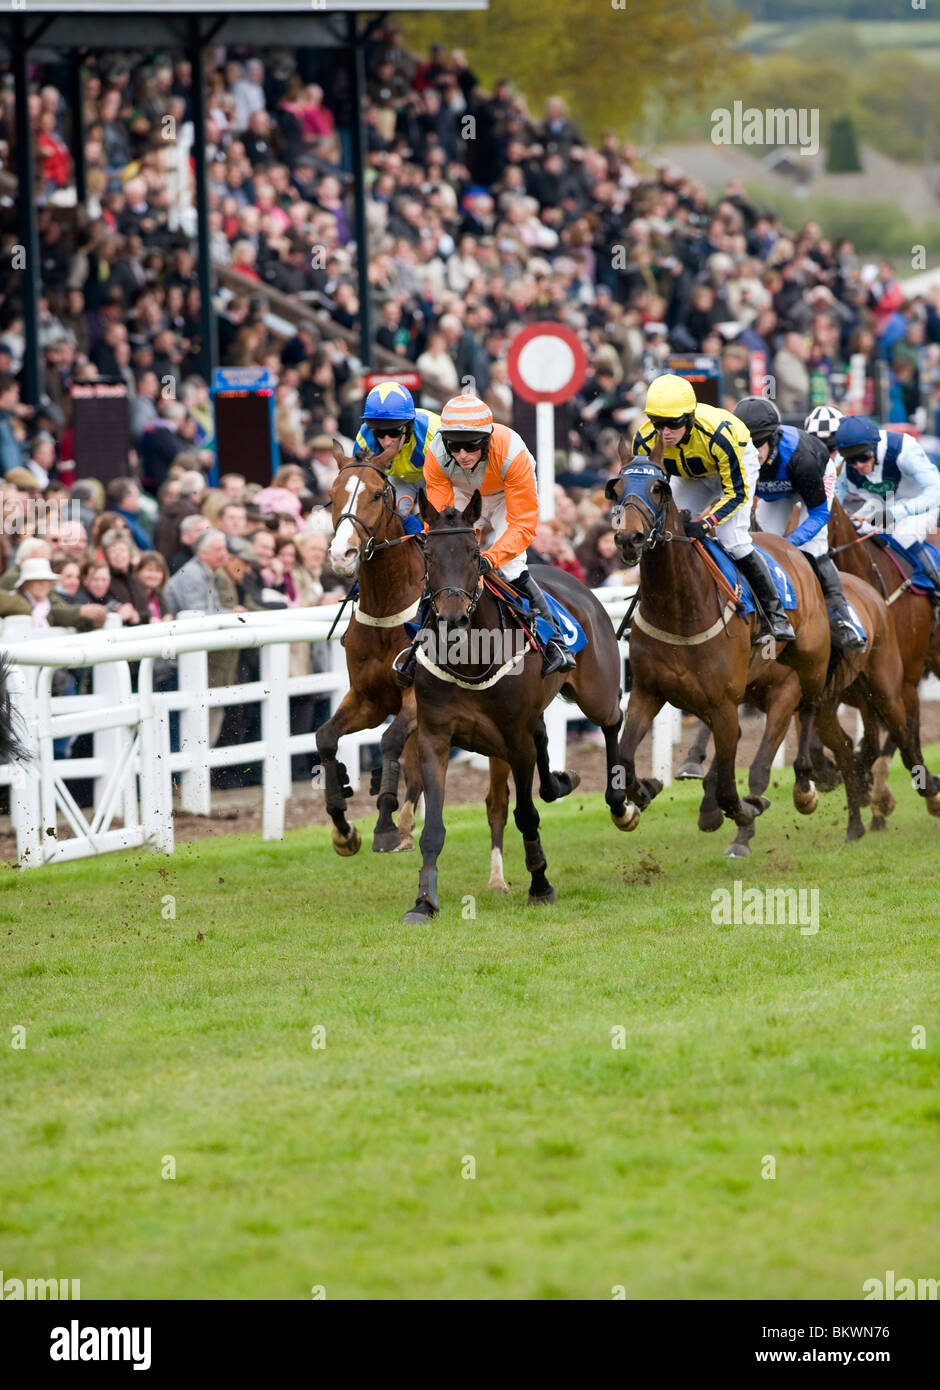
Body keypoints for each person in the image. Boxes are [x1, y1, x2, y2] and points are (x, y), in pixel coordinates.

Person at [396, 393, 577, 686]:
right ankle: (417, 641)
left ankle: (555, 642)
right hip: (466, 495)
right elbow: (440, 521)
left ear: (487, 440)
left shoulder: (512, 454)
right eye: (454, 446)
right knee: (445, 559)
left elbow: (522, 525)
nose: (462, 454)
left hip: (507, 494)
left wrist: (490, 557)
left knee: (511, 568)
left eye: (471, 446)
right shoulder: (436, 456)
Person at [632, 374, 795, 643]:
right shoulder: (645, 439)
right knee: (665, 534)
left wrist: (707, 522)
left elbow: (736, 493)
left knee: (734, 540)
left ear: (688, 419)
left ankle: (774, 614)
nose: (664, 433)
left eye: (672, 424)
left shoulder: (719, 436)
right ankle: (649, 609)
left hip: (735, 469)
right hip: (691, 474)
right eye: (657, 423)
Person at [734, 397, 864, 651]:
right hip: (774, 497)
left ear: (772, 438)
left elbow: (818, 514)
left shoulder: (803, 457)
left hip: (809, 485)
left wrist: (789, 544)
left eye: (757, 444)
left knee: (814, 548)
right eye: (745, 444)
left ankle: (842, 619)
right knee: (756, 548)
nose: (751, 451)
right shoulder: (737, 451)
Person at [832, 414, 940, 599]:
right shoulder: (842, 463)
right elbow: (835, 499)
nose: (858, 465)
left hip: (919, 503)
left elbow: (935, 492)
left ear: (875, 445)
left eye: (863, 457)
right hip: (880, 505)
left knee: (903, 534)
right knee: (856, 533)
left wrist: (896, 514)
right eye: (852, 460)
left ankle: (936, 585)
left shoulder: (904, 451)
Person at [353, 381, 441, 535]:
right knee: (392, 520)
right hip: (399, 479)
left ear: (409, 427)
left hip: (437, 479)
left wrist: (422, 519)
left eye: (394, 432)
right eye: (380, 433)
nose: (387, 442)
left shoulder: (433, 436)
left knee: (439, 523)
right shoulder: (364, 441)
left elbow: (447, 487)